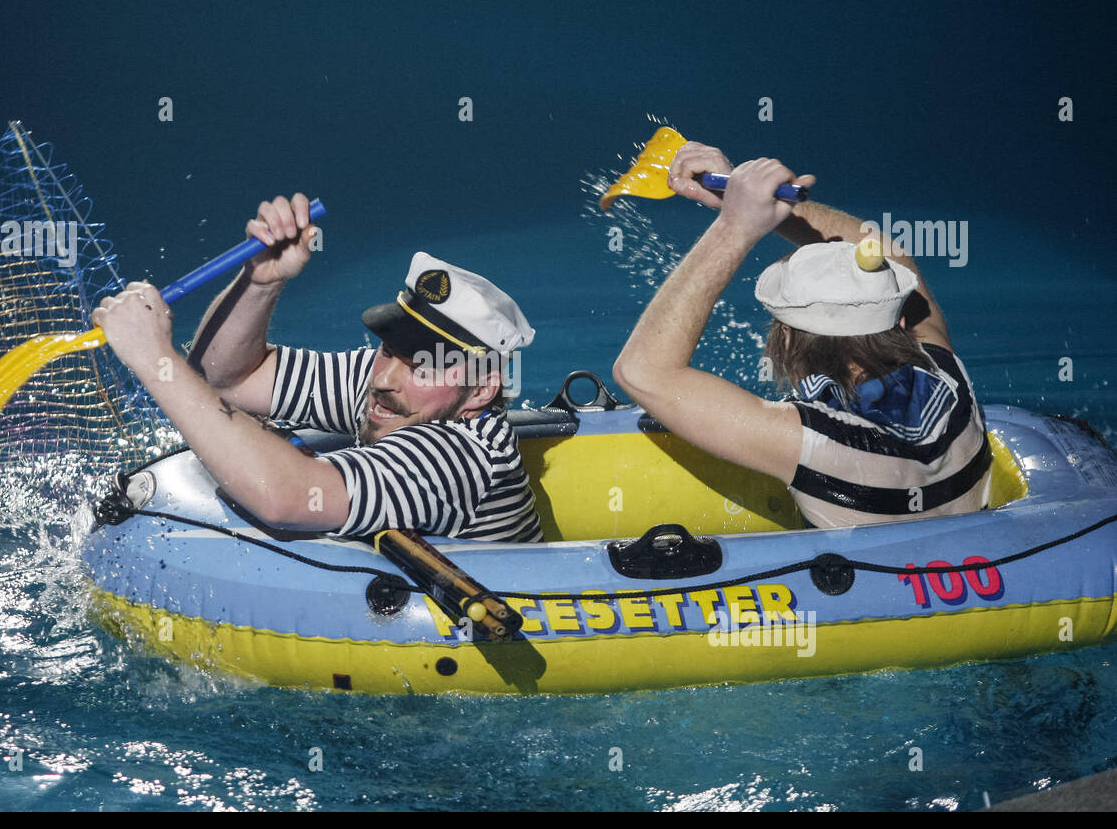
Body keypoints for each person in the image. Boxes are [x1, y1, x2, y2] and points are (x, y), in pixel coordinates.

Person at [92, 192, 543, 542]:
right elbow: (226, 379)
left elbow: (284, 497)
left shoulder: (461, 455)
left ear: (481, 390)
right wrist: (260, 282)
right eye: (389, 350)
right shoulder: (392, 388)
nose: (385, 379)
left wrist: (154, 358)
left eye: (422, 367)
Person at [613, 143, 992, 528]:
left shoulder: (809, 442)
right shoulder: (948, 376)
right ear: (899, 320)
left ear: (787, 339)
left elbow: (642, 372)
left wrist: (736, 226)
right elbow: (889, 256)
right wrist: (753, 199)